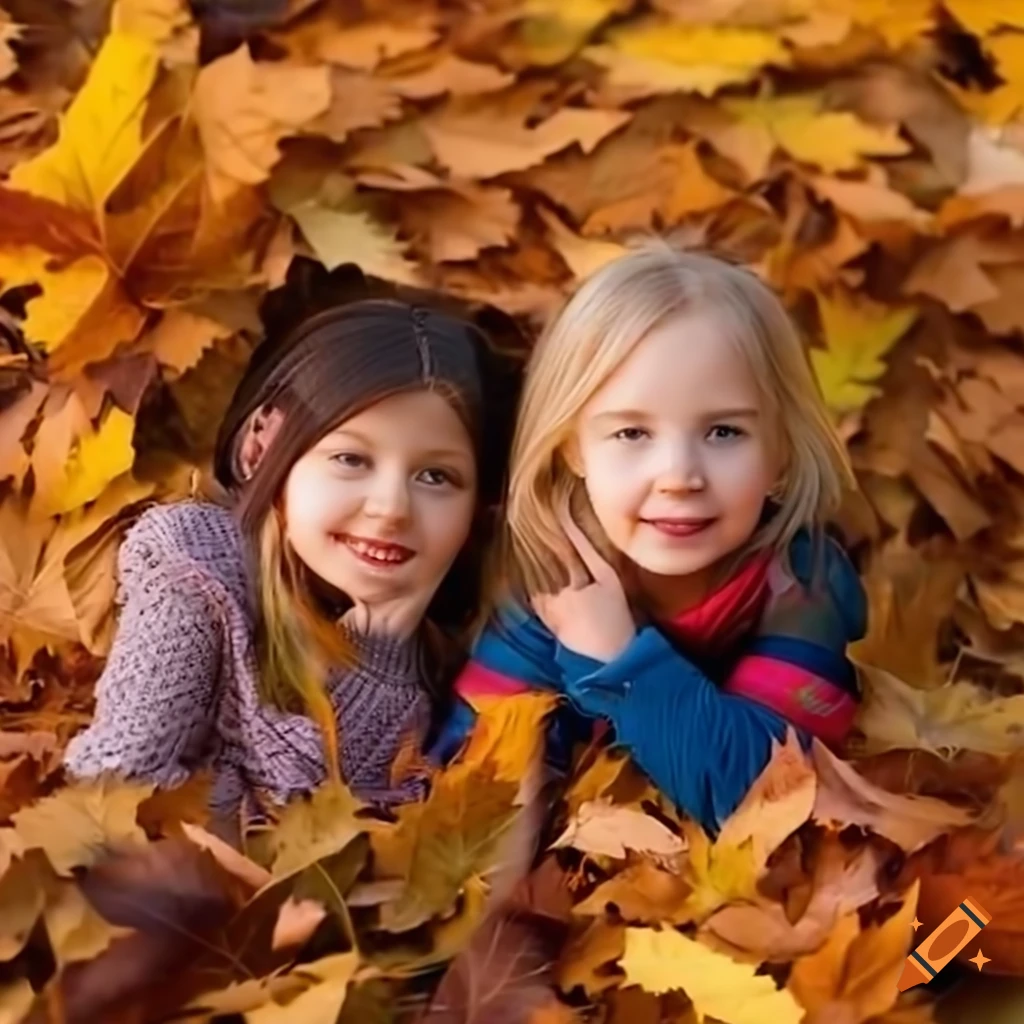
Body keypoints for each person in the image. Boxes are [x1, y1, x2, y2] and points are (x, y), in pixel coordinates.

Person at [435, 245, 867, 834]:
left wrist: (620, 662)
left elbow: (768, 796)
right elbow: (478, 781)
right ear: (572, 448)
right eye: (632, 433)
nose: (679, 476)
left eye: (724, 432)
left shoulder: (800, 585)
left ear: (782, 452)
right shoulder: (555, 577)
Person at [64, 297, 516, 834]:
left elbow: (355, 849)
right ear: (262, 447)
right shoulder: (195, 566)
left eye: (436, 477)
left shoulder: (470, 650)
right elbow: (116, 789)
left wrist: (381, 649)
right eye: (351, 459)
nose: (392, 508)